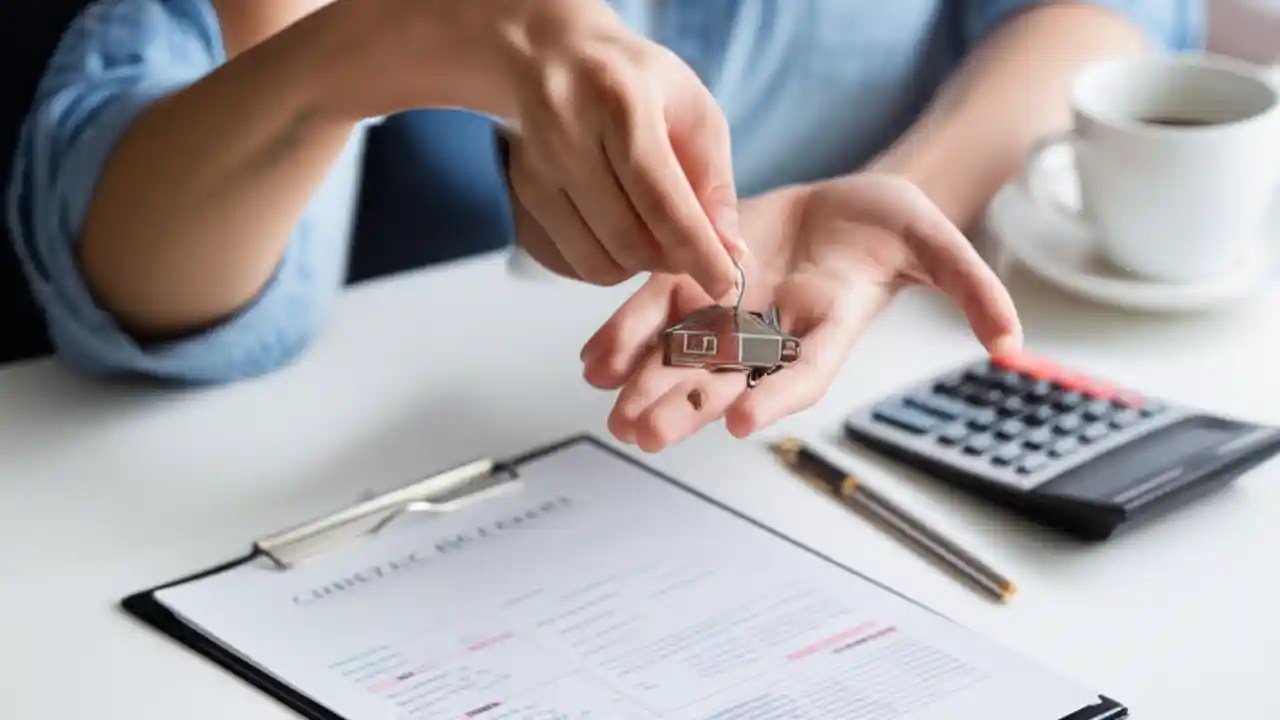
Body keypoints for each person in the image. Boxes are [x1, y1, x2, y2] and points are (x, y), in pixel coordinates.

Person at [7, 0, 1200, 451]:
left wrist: (909, 194)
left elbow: (1107, 16)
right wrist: (386, 44)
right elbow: (145, 288)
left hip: (813, 434)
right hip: (351, 474)